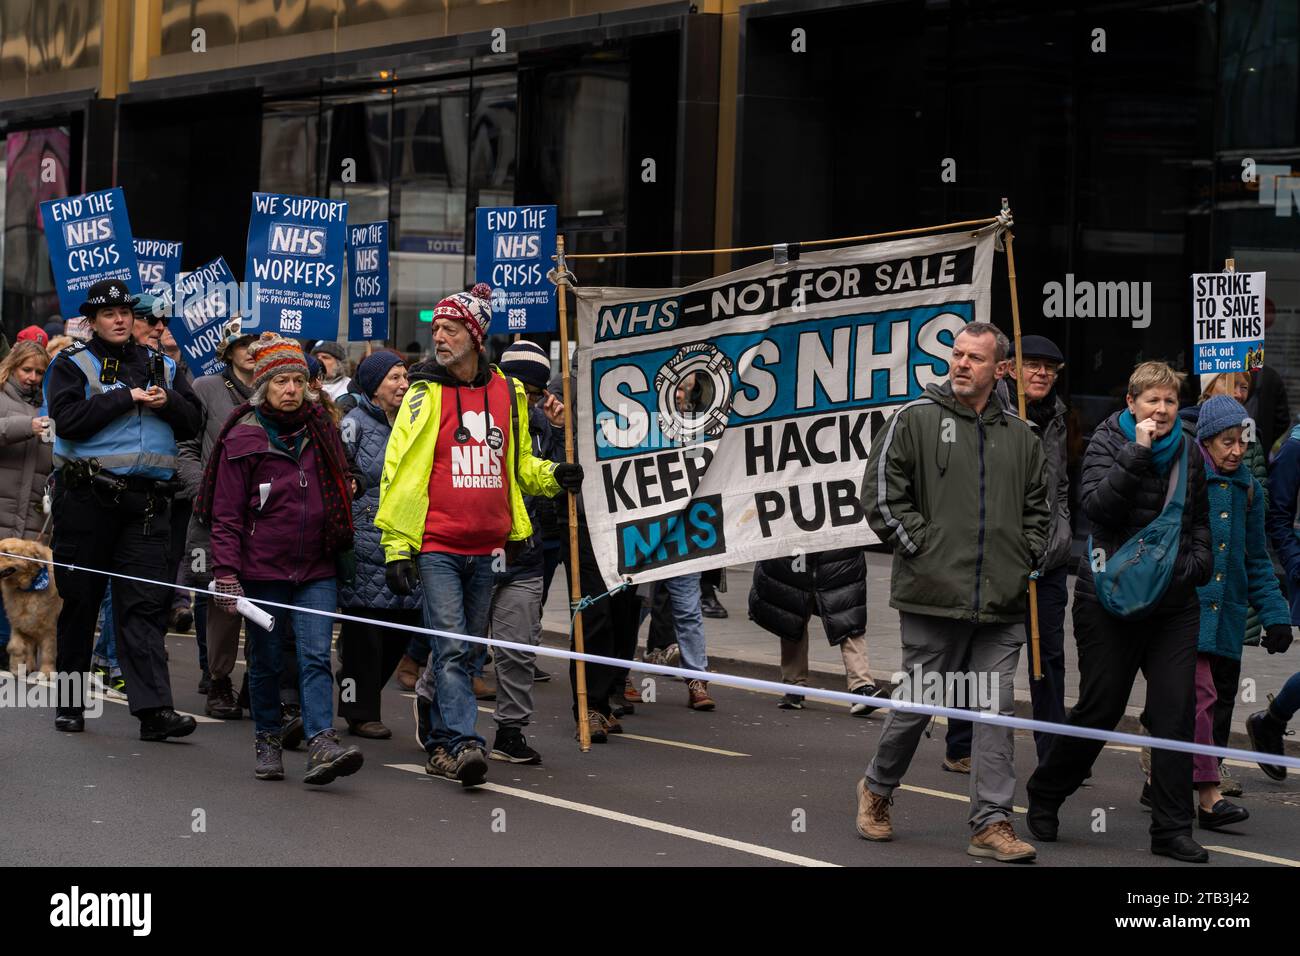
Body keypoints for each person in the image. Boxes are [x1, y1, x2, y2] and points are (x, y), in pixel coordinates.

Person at [858, 321, 1049, 862]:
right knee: (919, 704)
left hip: (1002, 602)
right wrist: (925, 548)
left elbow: (1042, 511)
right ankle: (876, 788)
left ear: (999, 369)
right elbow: (880, 495)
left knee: (995, 711)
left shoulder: (1022, 435)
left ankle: (991, 822)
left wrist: (1025, 558)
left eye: (975, 358)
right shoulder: (914, 420)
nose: (962, 364)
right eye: (957, 355)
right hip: (931, 595)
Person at [377, 284, 580, 786]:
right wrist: (397, 547)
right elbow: (398, 472)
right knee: (450, 646)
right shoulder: (424, 393)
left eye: (449, 329)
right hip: (439, 546)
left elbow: (517, 466)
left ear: (475, 335)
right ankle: (457, 744)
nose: (438, 337)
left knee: (467, 650)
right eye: (436, 329)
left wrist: (555, 476)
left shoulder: (508, 392)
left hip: (491, 548)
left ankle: (435, 717)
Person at [1027, 360, 1212, 863]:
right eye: (1152, 399)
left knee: (1175, 714)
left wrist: (1193, 566)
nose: (1162, 409)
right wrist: (1138, 451)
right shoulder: (1109, 442)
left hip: (1172, 604)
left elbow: (1197, 524)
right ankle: (1046, 792)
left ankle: (1171, 829)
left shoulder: (1191, 453)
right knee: (1101, 708)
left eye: (1170, 401)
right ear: (1131, 403)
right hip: (1107, 598)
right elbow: (1098, 510)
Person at [199, 333, 362, 784]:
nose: (291, 389)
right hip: (262, 570)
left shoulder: (322, 427)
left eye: (298, 380)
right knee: (268, 659)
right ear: (264, 386)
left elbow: (341, 477)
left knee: (313, 655)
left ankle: (321, 742)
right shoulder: (244, 434)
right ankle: (268, 738)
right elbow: (226, 516)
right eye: (281, 382)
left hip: (317, 566)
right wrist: (227, 573)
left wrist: (349, 487)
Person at [44, 278, 203, 738]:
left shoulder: (162, 366)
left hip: (146, 505)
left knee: (144, 606)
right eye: (108, 314)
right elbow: (68, 421)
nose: (119, 319)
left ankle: (153, 711)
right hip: (88, 501)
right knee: (80, 604)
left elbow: (193, 420)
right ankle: (70, 704)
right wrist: (124, 397)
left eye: (126, 313)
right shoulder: (71, 363)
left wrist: (167, 399)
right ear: (92, 321)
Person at [945, 334, 1072, 768]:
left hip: (1047, 562)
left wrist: (1060, 534)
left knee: (1048, 657)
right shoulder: (988, 410)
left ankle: (1054, 755)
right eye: (1032, 365)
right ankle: (961, 744)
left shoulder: (1057, 416)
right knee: (973, 653)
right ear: (1009, 368)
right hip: (996, 561)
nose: (1042, 374)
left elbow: (1061, 487)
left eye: (1050, 369)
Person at [1167, 394, 1291, 830]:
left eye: (1241, 441)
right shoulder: (1184, 477)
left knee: (1216, 706)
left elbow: (1256, 560)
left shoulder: (1249, 489)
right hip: (1185, 615)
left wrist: (1276, 614)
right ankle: (1208, 794)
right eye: (1227, 442)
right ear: (1206, 441)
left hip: (1230, 619)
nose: (1237, 450)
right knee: (1200, 699)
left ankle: (1166, 783)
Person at [483, 340, 564, 763]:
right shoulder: (477, 415)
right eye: (520, 389)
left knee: (517, 650)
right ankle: (434, 708)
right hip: (475, 550)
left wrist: (562, 433)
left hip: (524, 553)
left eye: (534, 393)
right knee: (459, 646)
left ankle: (510, 731)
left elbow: (555, 479)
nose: (527, 399)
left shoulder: (542, 425)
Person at [336, 350, 422, 738]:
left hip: (403, 543)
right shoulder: (353, 424)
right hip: (364, 542)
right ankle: (359, 710)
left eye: (405, 377)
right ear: (373, 385)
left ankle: (365, 696)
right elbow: (340, 477)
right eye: (394, 378)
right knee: (364, 635)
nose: (403, 384)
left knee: (401, 625)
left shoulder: (415, 421)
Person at [177, 319, 256, 719]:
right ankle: (218, 678)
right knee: (218, 597)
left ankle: (257, 681)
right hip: (215, 514)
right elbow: (185, 447)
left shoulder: (279, 384)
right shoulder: (206, 388)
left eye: (257, 340)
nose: (250, 348)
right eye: (243, 342)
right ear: (227, 349)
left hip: (265, 515)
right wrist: (202, 492)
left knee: (261, 598)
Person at [749, 548, 879, 712]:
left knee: (847, 616)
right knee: (793, 613)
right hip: (803, 549)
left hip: (835, 549)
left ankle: (860, 686)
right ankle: (796, 684)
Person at [0, 340, 54, 670]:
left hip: (32, 512)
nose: (32, 377)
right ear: (12, 367)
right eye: (27, 370)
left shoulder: (49, 407)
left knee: (18, 586)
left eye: (39, 372)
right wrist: (26, 427)